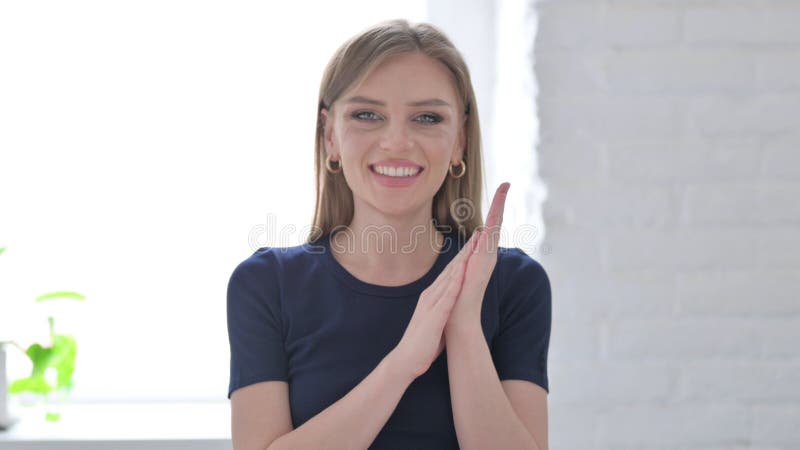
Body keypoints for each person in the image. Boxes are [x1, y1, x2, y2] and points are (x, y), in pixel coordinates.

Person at [226, 19, 551, 450]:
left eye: (427, 118)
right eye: (367, 115)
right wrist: (403, 363)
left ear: (460, 142)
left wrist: (463, 327)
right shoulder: (266, 284)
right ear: (330, 137)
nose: (396, 142)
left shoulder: (514, 284)